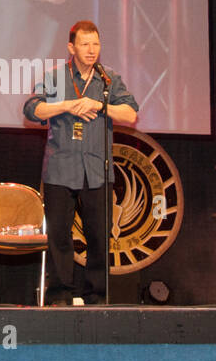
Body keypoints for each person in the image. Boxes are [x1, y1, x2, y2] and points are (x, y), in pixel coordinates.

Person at [23, 21, 139, 305]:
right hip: (60, 169)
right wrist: (66, 105)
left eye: (96, 44)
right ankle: (60, 296)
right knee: (59, 238)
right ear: (71, 47)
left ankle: (96, 296)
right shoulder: (56, 77)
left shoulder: (108, 79)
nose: (91, 50)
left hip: (97, 170)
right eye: (85, 44)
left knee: (99, 237)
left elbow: (130, 114)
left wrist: (99, 105)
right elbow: (31, 109)